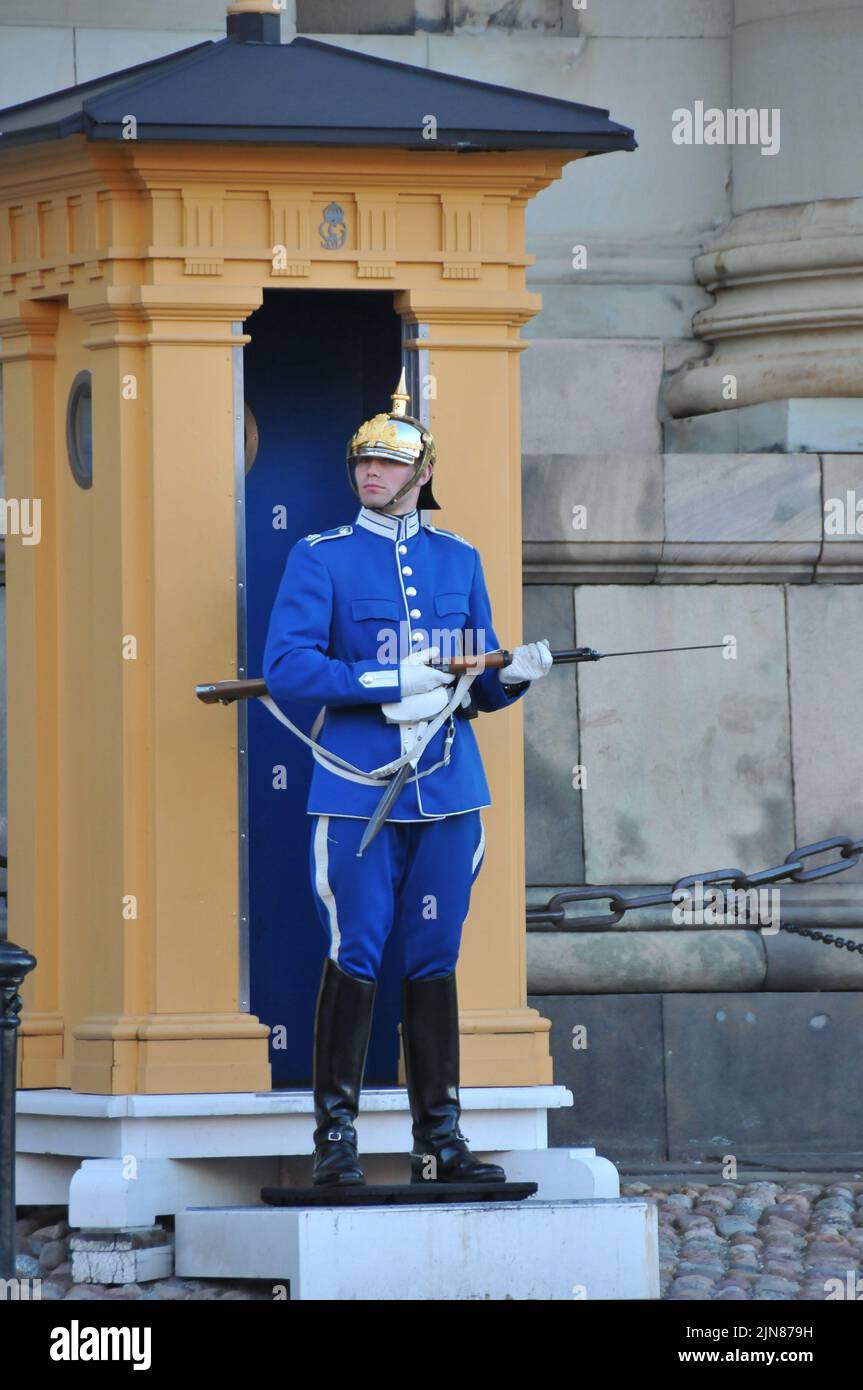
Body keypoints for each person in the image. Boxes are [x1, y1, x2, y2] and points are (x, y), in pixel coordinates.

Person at [263, 370, 553, 1187]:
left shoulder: (458, 558)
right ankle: (336, 1143)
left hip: (448, 790)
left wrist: (514, 673)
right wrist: (391, 684)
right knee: (355, 951)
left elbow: (482, 687)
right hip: (359, 785)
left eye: (390, 465)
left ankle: (442, 1143)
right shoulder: (318, 555)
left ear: (422, 475)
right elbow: (286, 667)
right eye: (364, 463)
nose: (372, 474)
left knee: (433, 954)